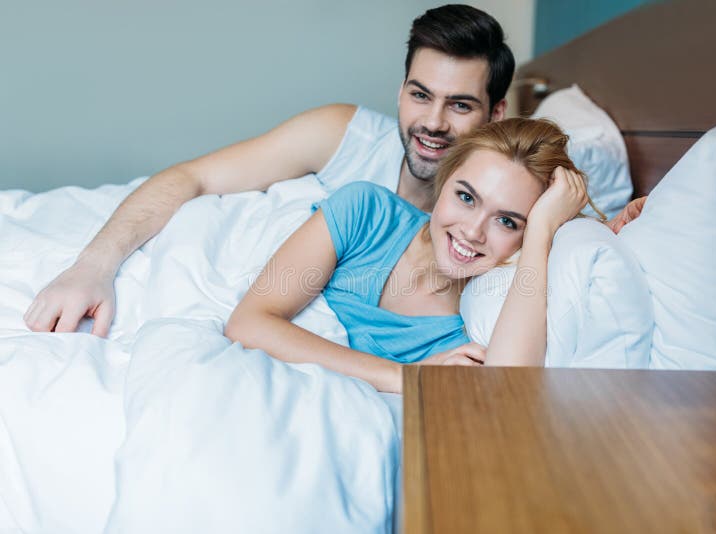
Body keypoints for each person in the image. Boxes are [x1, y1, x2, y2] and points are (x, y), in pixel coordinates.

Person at [23, 4, 515, 336]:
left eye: (460, 105)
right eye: (420, 94)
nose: (432, 122)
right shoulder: (345, 136)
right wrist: (92, 268)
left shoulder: (500, 217)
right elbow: (192, 178)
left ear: (496, 114)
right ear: (401, 90)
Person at [225, 118, 590, 393]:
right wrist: (407, 376)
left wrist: (542, 231)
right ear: (443, 181)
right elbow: (248, 323)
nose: (473, 231)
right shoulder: (367, 213)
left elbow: (507, 393)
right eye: (466, 197)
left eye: (507, 221)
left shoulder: (471, 330)